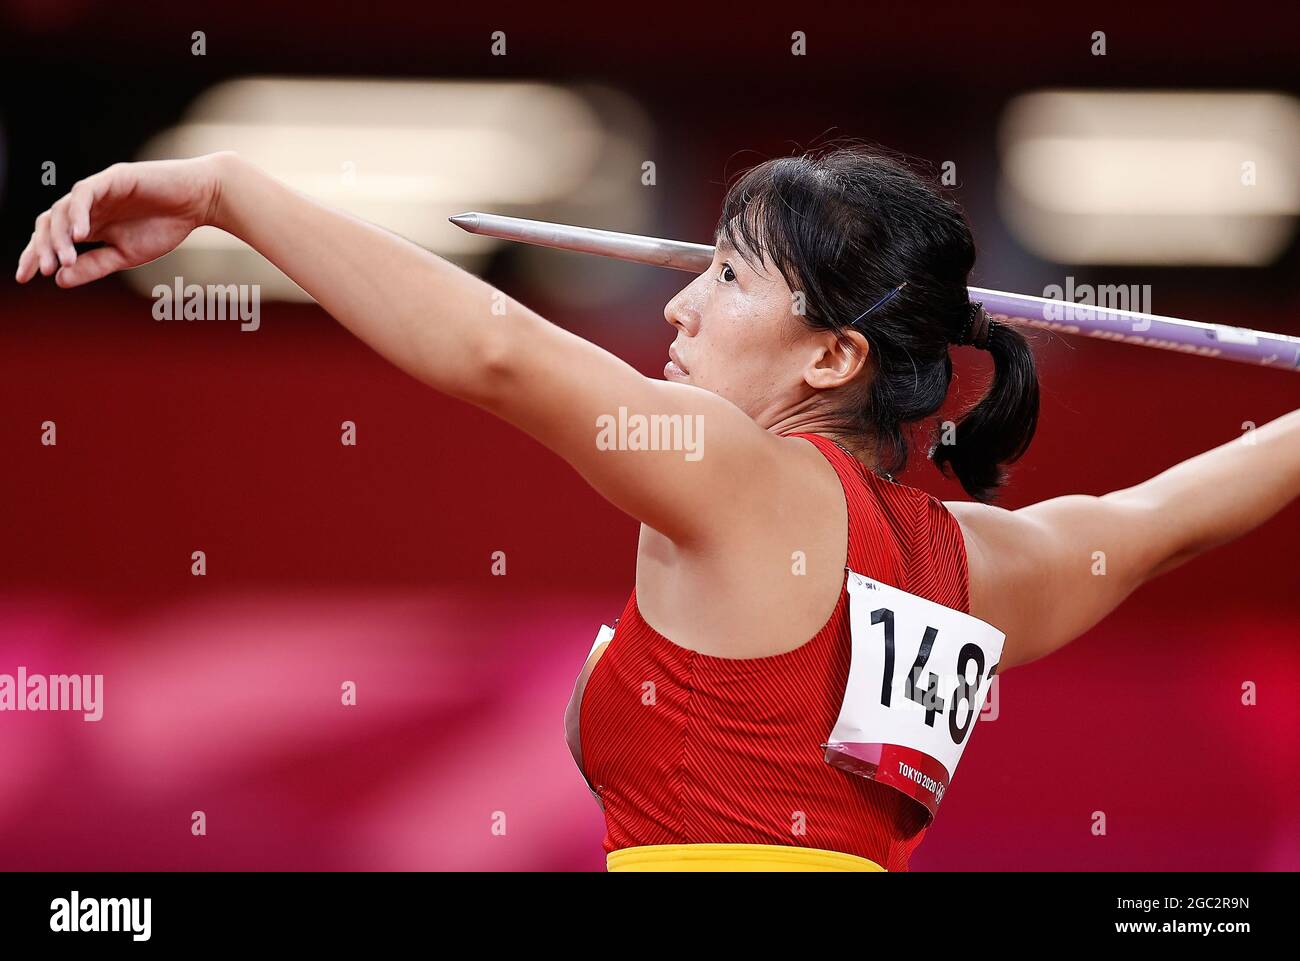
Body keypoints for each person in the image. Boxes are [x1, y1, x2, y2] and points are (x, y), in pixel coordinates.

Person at [17, 144, 1300, 871]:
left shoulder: (734, 472)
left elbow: (499, 355)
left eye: (728, 278)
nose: (679, 312)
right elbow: (1173, 512)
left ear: (830, 359)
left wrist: (233, 192)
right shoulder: (984, 563)